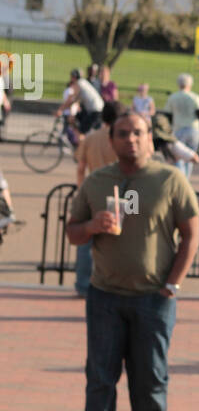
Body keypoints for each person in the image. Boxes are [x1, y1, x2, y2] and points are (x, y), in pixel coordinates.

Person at [65, 111, 199, 411]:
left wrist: (172, 285)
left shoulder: (169, 179)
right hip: (105, 296)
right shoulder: (97, 182)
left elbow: (191, 234)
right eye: (122, 134)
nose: (131, 140)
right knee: (99, 381)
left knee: (150, 378)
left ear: (150, 140)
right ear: (112, 140)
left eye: (138, 133)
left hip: (153, 299)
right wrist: (92, 226)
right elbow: (73, 232)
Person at [73, 100, 125, 297]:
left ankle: (83, 283)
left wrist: (81, 190)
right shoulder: (123, 138)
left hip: (92, 191)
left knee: (86, 241)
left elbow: (80, 168)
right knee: (118, 242)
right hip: (120, 193)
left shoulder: (91, 138)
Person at [166, 74, 199, 179]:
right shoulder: (195, 97)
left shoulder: (173, 97)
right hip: (193, 128)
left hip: (178, 127)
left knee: (179, 156)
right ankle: (186, 178)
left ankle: (181, 178)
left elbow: (168, 114)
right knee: (191, 155)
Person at [58, 69, 104, 135]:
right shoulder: (83, 82)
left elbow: (71, 100)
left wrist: (60, 110)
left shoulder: (79, 84)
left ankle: (82, 143)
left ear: (73, 77)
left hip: (95, 110)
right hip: (97, 108)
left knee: (82, 131)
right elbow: (75, 100)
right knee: (80, 123)